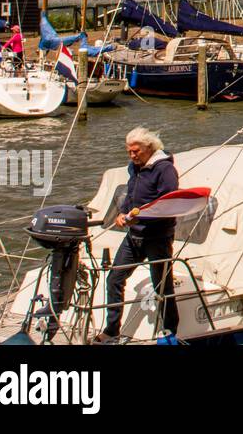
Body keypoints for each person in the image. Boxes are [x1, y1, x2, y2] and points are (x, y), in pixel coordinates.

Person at [96, 127, 179, 342]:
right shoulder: (134, 168)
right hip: (134, 236)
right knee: (115, 277)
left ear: (149, 148)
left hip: (157, 236)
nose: (132, 155)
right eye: (129, 152)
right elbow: (132, 197)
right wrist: (122, 215)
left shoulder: (164, 169)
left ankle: (170, 330)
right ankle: (112, 328)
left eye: (136, 151)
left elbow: (168, 204)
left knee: (162, 284)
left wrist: (140, 217)